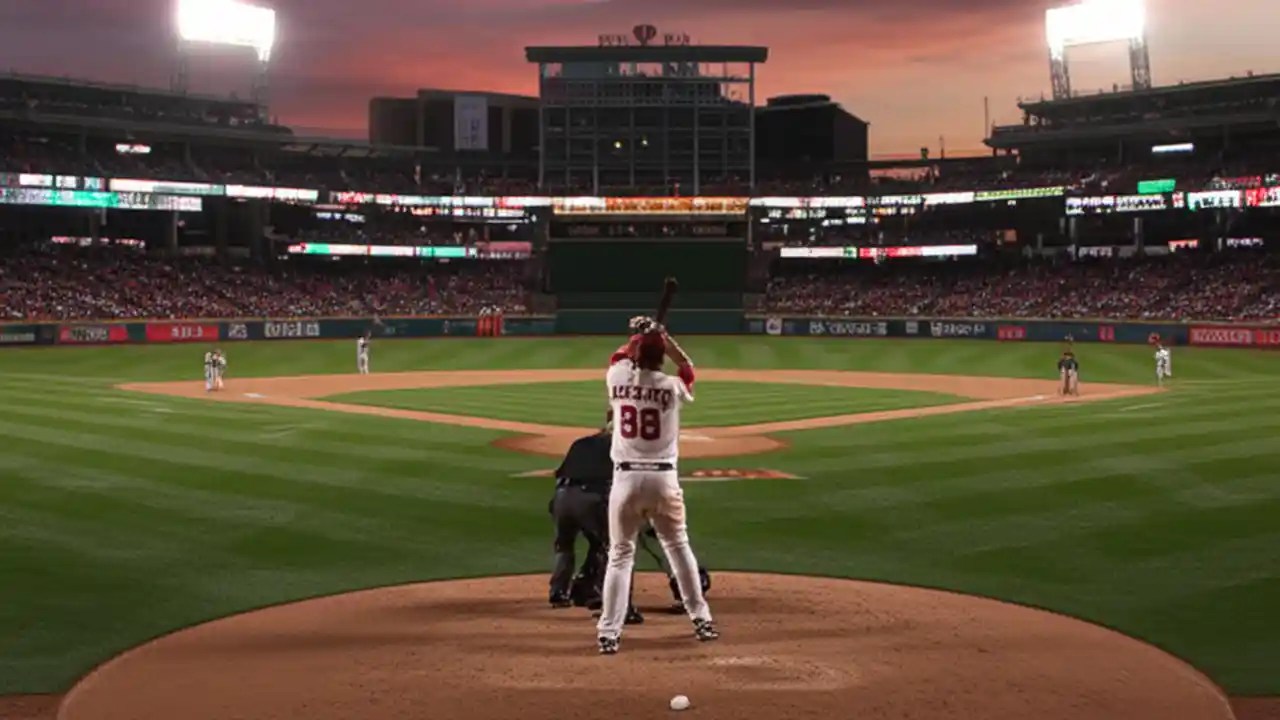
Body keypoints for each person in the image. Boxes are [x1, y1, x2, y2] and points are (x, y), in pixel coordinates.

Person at [596, 325, 717, 655]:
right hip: (664, 480)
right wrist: (665, 338)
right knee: (679, 548)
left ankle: (609, 633)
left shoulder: (617, 377)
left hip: (625, 481)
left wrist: (638, 334)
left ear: (635, 354)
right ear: (660, 357)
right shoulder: (672, 386)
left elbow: (618, 355)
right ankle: (701, 618)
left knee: (620, 556)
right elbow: (688, 368)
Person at [548, 413, 643, 625]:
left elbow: (559, 473)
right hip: (590, 500)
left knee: (564, 546)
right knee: (616, 549)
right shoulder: (621, 448)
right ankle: (618, 606)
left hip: (562, 497)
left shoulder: (581, 442)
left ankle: (558, 592)